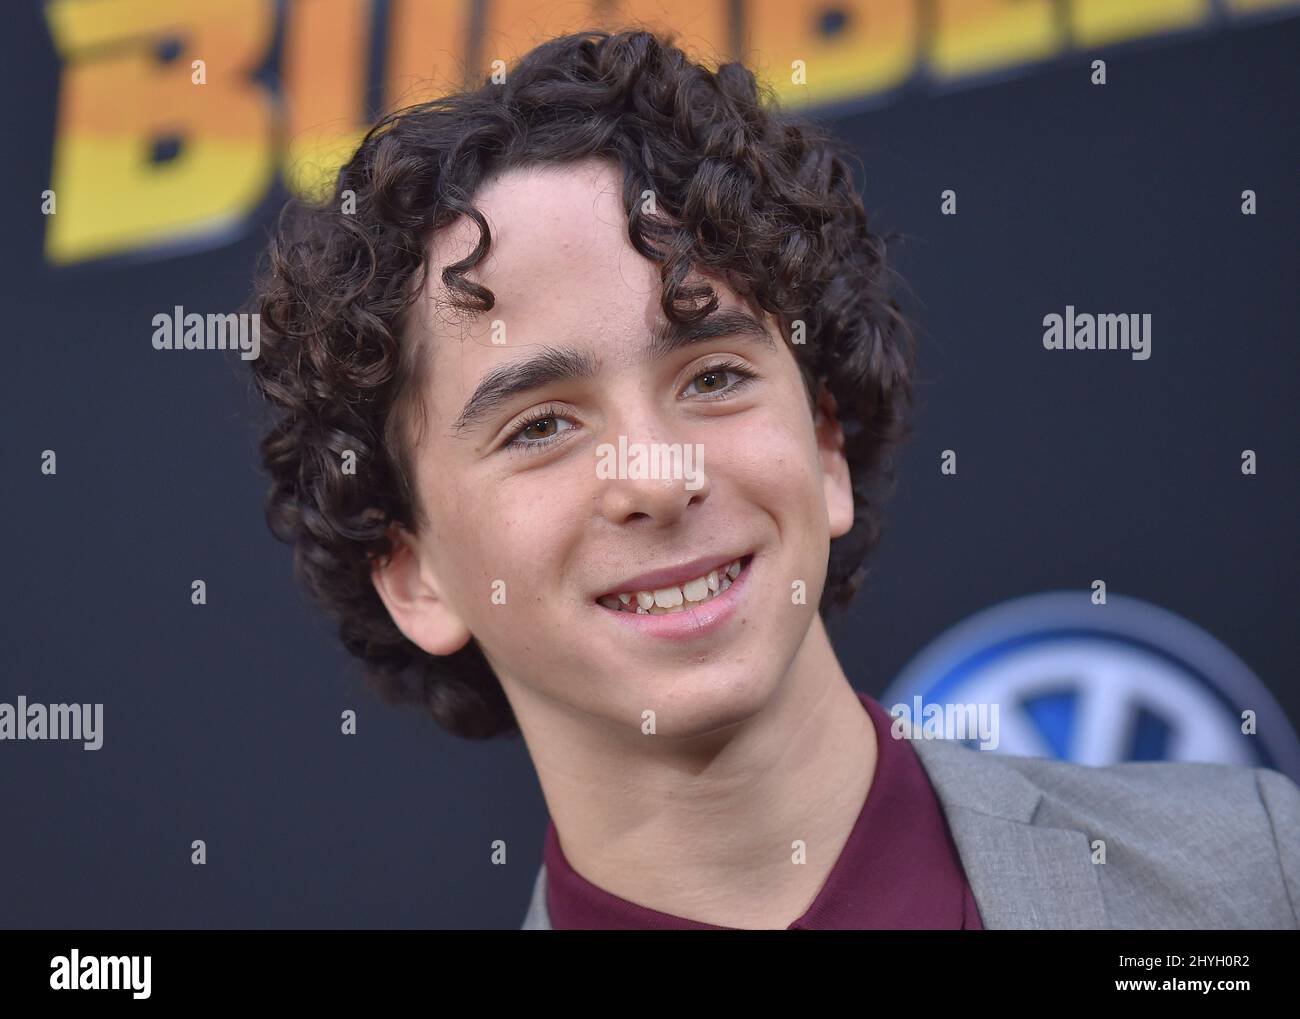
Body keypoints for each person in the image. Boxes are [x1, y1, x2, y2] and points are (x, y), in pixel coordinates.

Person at [248, 28, 1299, 930]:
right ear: (412, 570)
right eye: (541, 425)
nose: (656, 480)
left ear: (825, 443)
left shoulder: (1253, 875)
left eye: (711, 373)